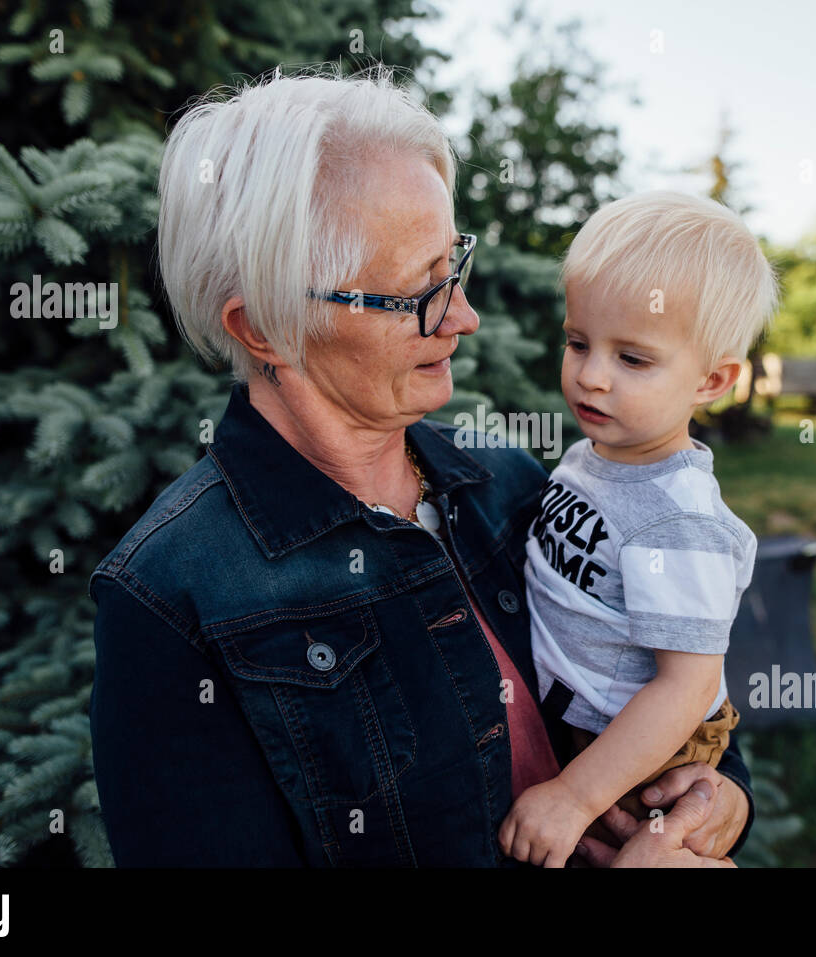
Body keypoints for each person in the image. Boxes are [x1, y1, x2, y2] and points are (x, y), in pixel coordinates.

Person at [87, 64, 755, 867]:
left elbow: (673, 678)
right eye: (419, 293)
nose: (464, 318)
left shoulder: (513, 486)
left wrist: (714, 805)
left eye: (455, 267)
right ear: (264, 327)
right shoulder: (172, 596)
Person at [500, 192, 777, 867]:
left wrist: (574, 792)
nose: (590, 376)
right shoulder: (595, 458)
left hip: (647, 747)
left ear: (712, 379)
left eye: (633, 359)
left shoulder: (679, 520)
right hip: (583, 722)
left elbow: (684, 686)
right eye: (578, 342)